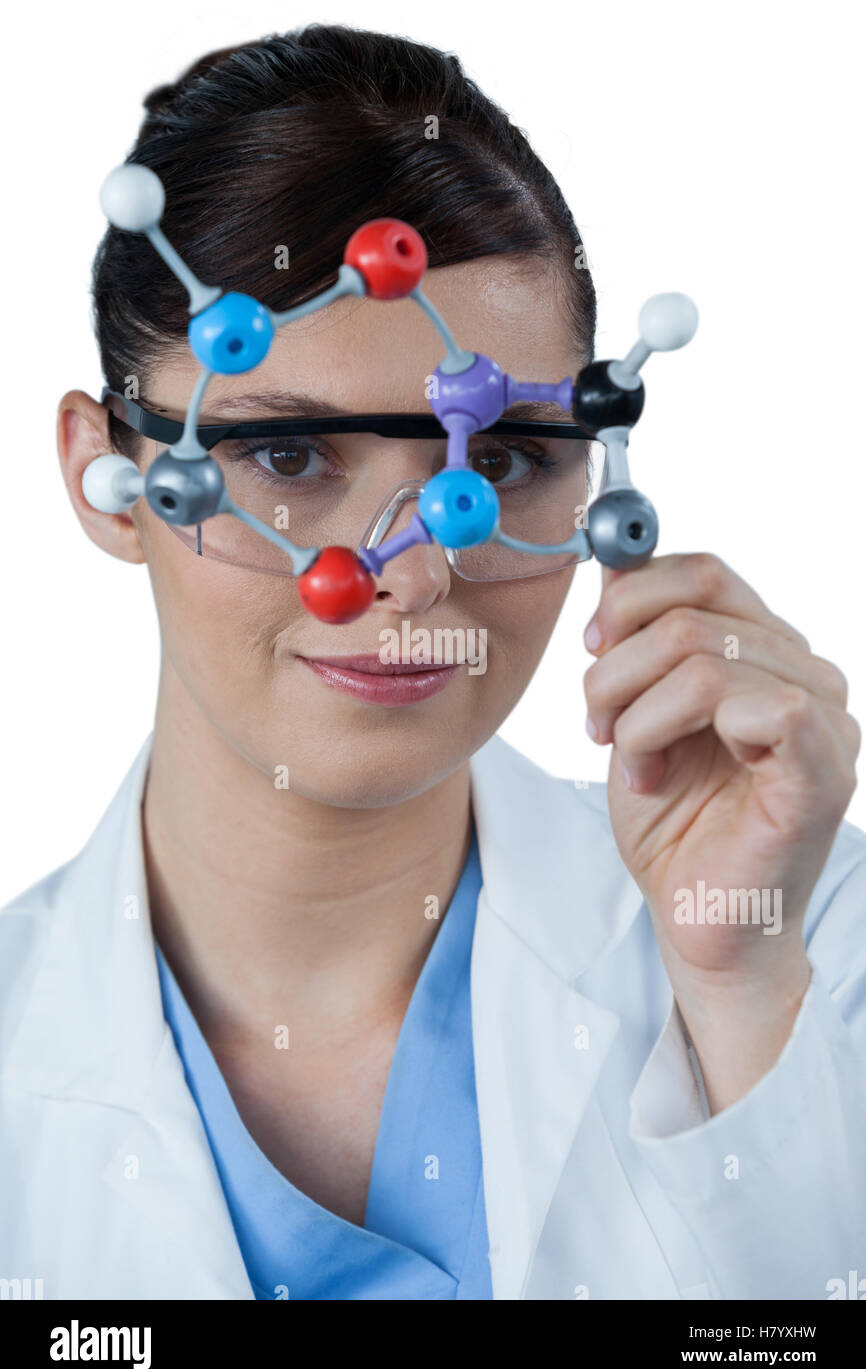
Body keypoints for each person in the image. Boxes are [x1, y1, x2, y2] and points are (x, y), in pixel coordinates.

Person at [1, 23, 865, 1302]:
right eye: (288, 458)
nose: (407, 575)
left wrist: (739, 999)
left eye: (500, 462)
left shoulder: (809, 932)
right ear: (103, 476)